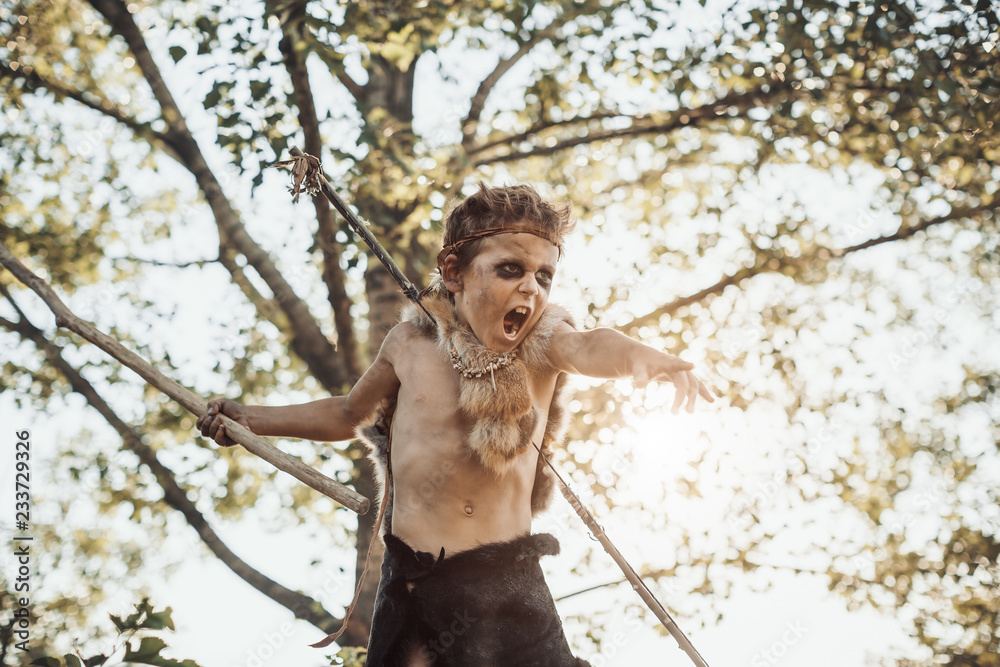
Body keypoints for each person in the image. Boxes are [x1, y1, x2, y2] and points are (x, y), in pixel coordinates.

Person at [197, 182, 713, 666]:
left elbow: (590, 345)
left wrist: (646, 359)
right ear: (454, 270)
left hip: (506, 582)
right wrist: (252, 418)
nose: (531, 288)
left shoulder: (544, 341)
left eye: (544, 276)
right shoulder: (408, 344)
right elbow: (346, 413)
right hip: (413, 582)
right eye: (510, 269)